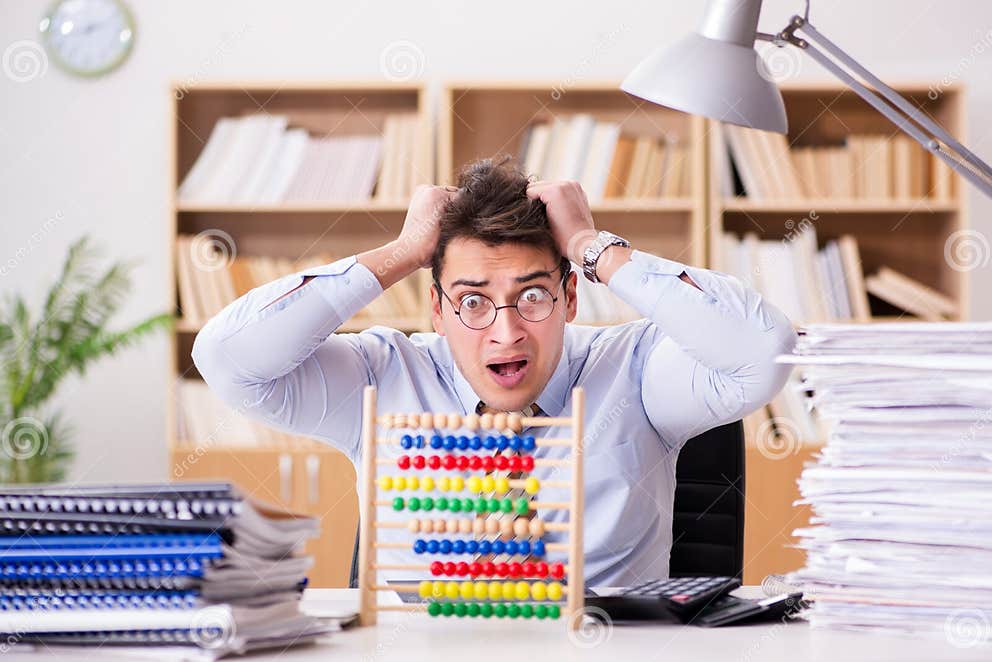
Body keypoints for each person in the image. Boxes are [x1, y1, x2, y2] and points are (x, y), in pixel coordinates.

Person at [192, 156, 796, 585]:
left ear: (570, 297)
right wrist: (401, 253)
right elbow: (226, 359)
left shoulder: (635, 374)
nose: (506, 333)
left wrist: (590, 243)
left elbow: (762, 352)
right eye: (473, 301)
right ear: (437, 309)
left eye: (532, 296)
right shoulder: (382, 378)